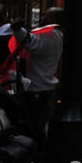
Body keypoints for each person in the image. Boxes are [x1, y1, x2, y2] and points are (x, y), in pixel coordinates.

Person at [11, 8, 65, 147]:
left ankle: (37, 156)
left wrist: (17, 28)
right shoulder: (56, 35)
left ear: (54, 20)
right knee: (36, 127)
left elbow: (31, 42)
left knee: (34, 128)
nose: (42, 18)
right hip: (43, 88)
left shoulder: (51, 36)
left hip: (38, 89)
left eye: (46, 16)